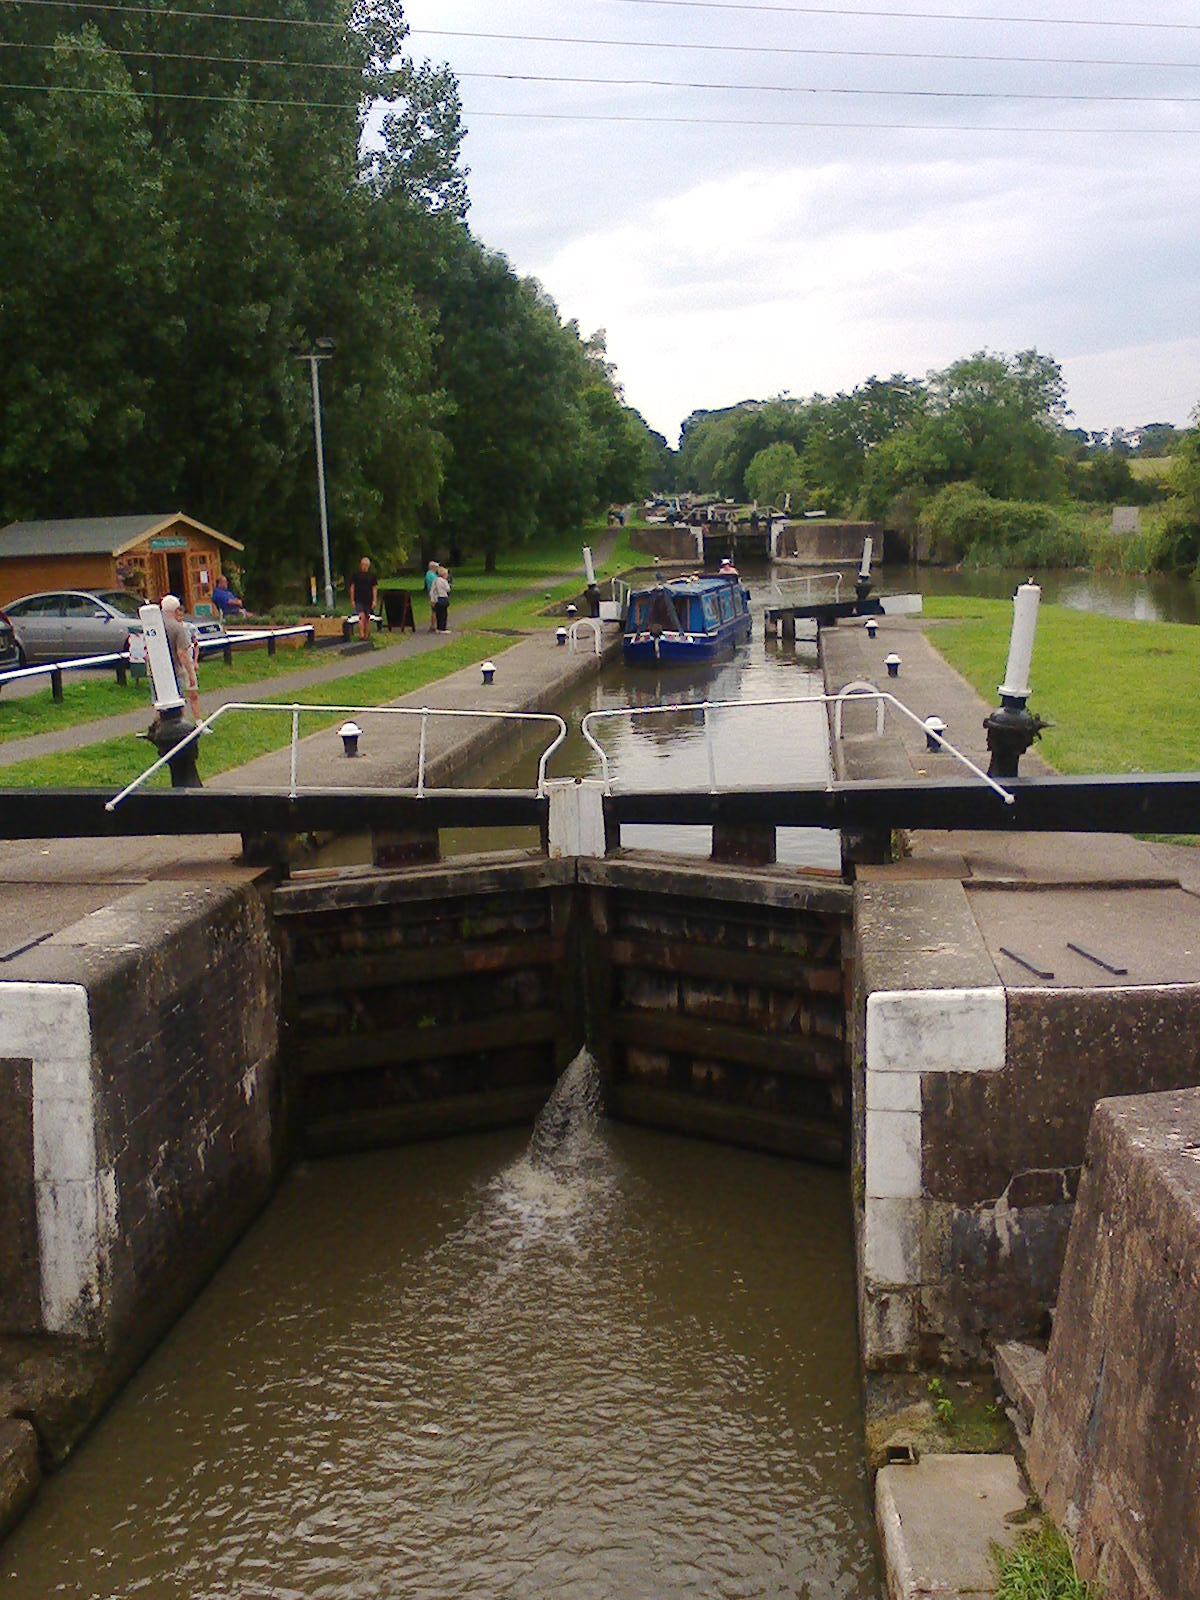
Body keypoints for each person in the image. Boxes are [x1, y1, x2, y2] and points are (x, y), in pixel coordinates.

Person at [160, 595, 201, 720]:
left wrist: (195, 661)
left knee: (163, 702)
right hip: (177, 667)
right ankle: (180, 723)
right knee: (178, 697)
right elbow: (182, 653)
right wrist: (190, 672)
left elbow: (195, 645)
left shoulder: (158, 626)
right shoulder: (177, 628)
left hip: (161, 668)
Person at [351, 556, 378, 643]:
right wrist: (352, 600)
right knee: (361, 616)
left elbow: (374, 588)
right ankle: (361, 635)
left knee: (367, 618)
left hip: (368, 600)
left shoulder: (372, 576)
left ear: (368, 566)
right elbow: (352, 587)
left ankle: (366, 635)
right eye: (363, 565)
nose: (364, 567)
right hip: (359, 599)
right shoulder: (356, 575)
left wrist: (374, 600)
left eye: (366, 565)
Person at [431, 565, 451, 632]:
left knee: (438, 614)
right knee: (444, 614)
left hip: (437, 599)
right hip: (443, 598)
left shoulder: (435, 580)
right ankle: (443, 628)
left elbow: (432, 590)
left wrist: (432, 599)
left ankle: (439, 627)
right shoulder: (444, 581)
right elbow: (448, 589)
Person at [423, 560, 439, 631]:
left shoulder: (429, 574)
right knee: (435, 610)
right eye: (437, 567)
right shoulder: (432, 575)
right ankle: (433, 625)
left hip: (432, 593)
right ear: (434, 568)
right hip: (435, 594)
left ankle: (434, 625)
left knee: (434, 610)